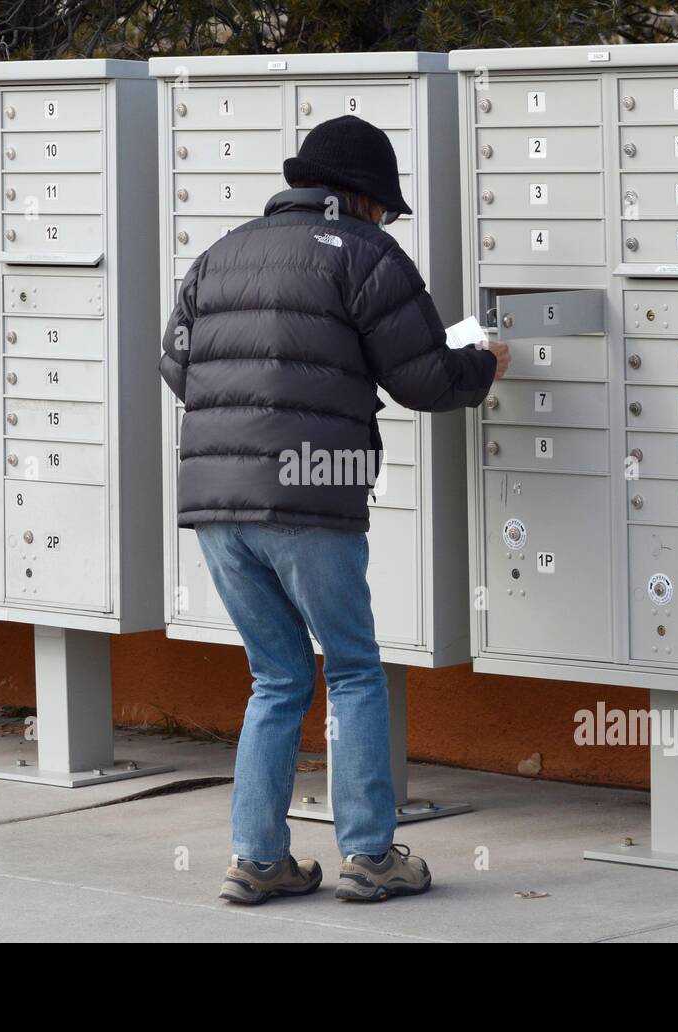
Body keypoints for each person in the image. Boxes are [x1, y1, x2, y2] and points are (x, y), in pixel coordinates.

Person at [160, 114, 510, 904]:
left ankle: (256, 860)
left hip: (218, 505)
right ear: (362, 200)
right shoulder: (364, 253)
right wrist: (483, 364)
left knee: (276, 677)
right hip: (312, 496)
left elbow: (177, 366)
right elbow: (424, 379)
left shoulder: (222, 253)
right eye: (384, 206)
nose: (385, 219)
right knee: (351, 668)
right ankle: (371, 856)